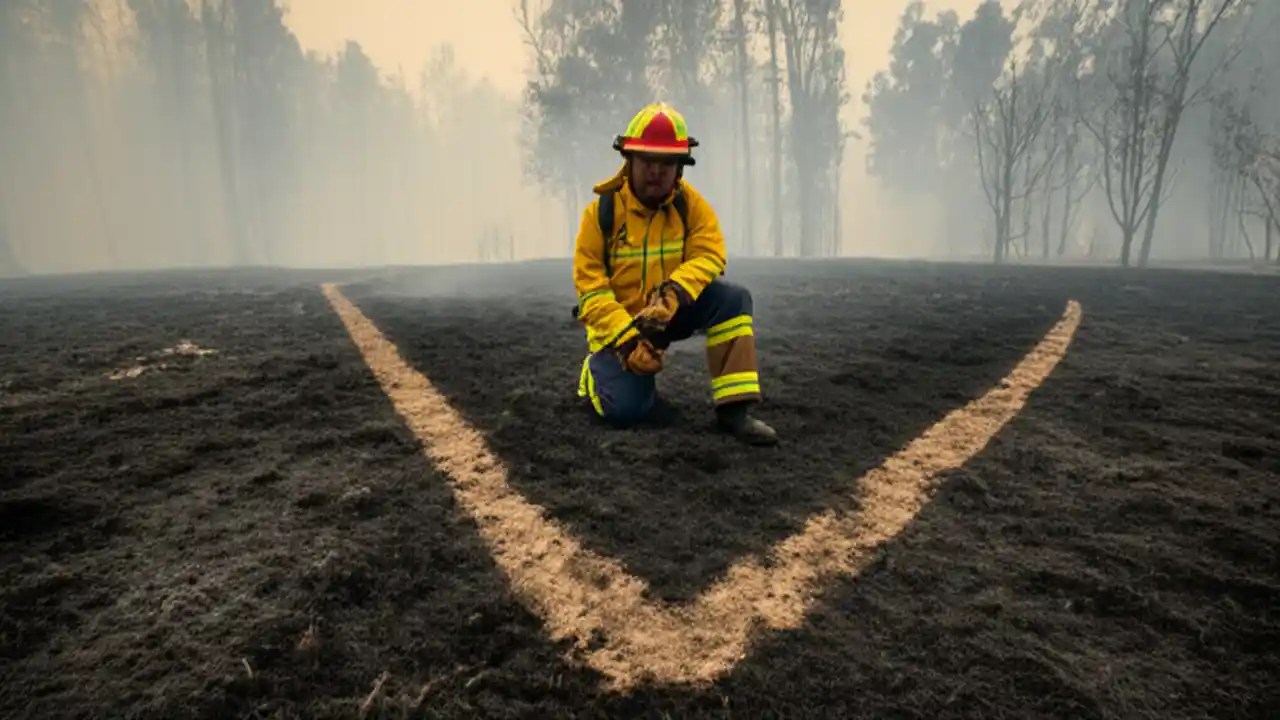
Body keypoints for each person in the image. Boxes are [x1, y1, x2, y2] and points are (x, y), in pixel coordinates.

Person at [572, 102, 778, 446]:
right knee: (627, 411)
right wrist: (627, 341)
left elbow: (710, 253)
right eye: (647, 161)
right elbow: (591, 294)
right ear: (629, 161)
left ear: (680, 168)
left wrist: (674, 293)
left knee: (732, 300)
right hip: (621, 327)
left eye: (666, 163)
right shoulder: (601, 215)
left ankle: (734, 412)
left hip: (669, 312)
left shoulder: (690, 205)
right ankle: (594, 376)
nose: (656, 171)